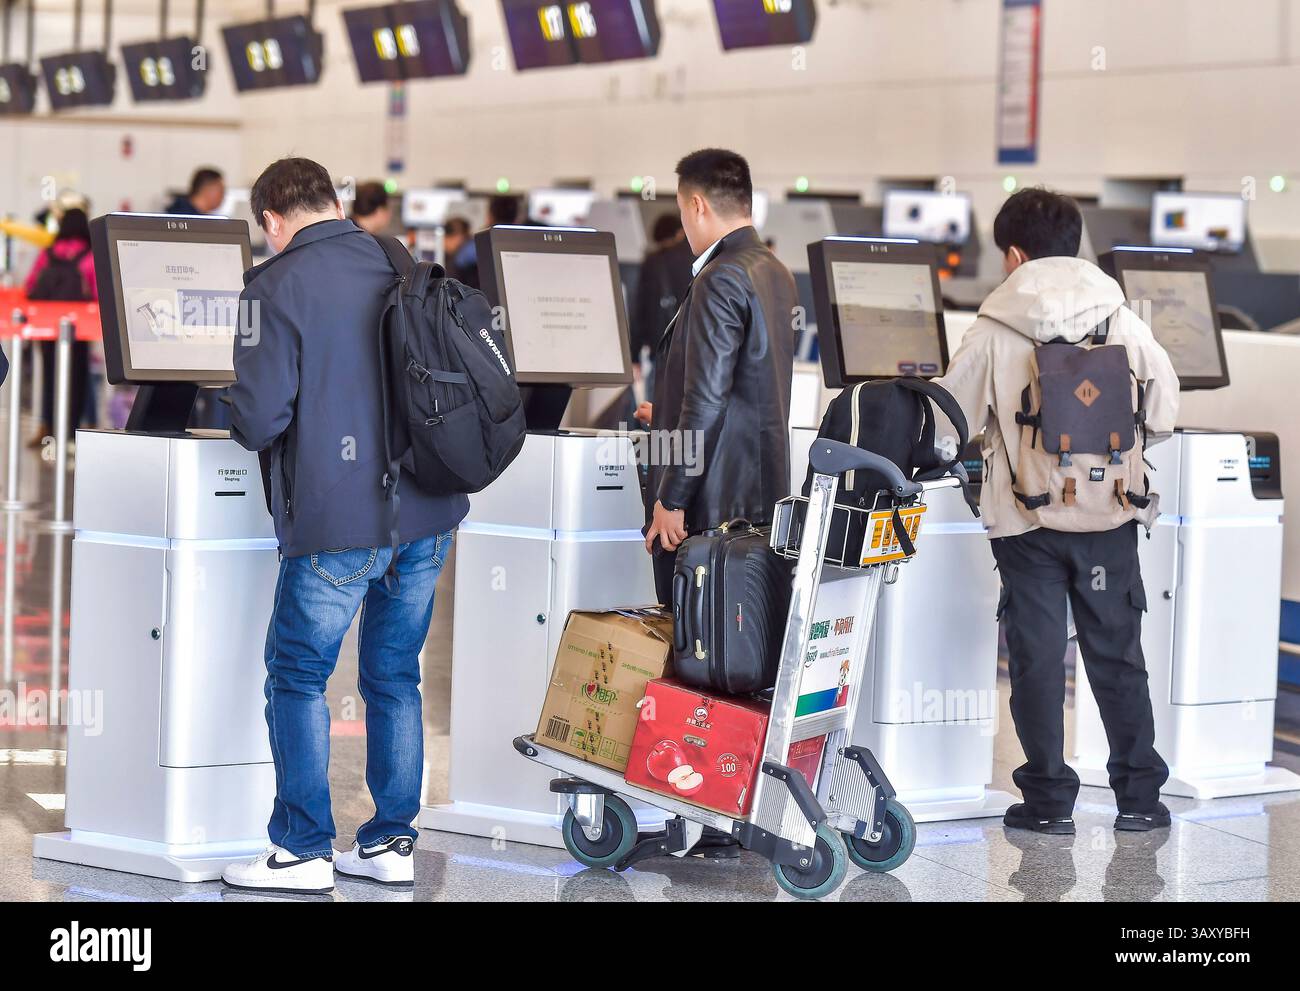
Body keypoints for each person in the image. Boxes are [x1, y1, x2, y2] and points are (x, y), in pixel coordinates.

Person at [221, 157, 468, 893]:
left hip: (338, 521)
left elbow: (262, 416)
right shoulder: (399, 261)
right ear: (336, 201)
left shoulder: (271, 286)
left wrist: (228, 398)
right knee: (394, 676)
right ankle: (391, 843)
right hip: (426, 514)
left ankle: (301, 848)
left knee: (297, 676)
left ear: (270, 221)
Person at [935, 187, 1180, 835]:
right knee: (1116, 652)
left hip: (1028, 522)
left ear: (1015, 253)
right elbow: (1162, 410)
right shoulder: (1121, 317)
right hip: (1111, 514)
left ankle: (1047, 804)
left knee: (1039, 658)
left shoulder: (992, 326)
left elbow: (947, 423)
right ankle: (1139, 798)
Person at [640, 148, 797, 606]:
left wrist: (672, 499)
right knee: (739, 643)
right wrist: (667, 410)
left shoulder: (720, 277)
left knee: (697, 645)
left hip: (712, 508)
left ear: (696, 206)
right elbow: (748, 386)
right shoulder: (774, 271)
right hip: (760, 500)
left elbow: (708, 402)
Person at [24, 207, 95, 446]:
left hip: (46, 328)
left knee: (49, 378)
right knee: (78, 380)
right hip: (80, 330)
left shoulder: (49, 253)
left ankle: (48, 428)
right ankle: (72, 432)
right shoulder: (89, 255)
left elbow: (31, 285)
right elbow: (98, 292)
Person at [630, 213, 694, 370]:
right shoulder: (697, 258)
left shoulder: (652, 262)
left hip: (661, 348)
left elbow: (640, 310)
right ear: (680, 232)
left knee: (659, 393)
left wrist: (634, 355)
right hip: (693, 349)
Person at [450, 195, 520, 290]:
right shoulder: (524, 245)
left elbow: (457, 270)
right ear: (516, 219)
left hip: (477, 298)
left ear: (489, 217)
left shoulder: (475, 245)